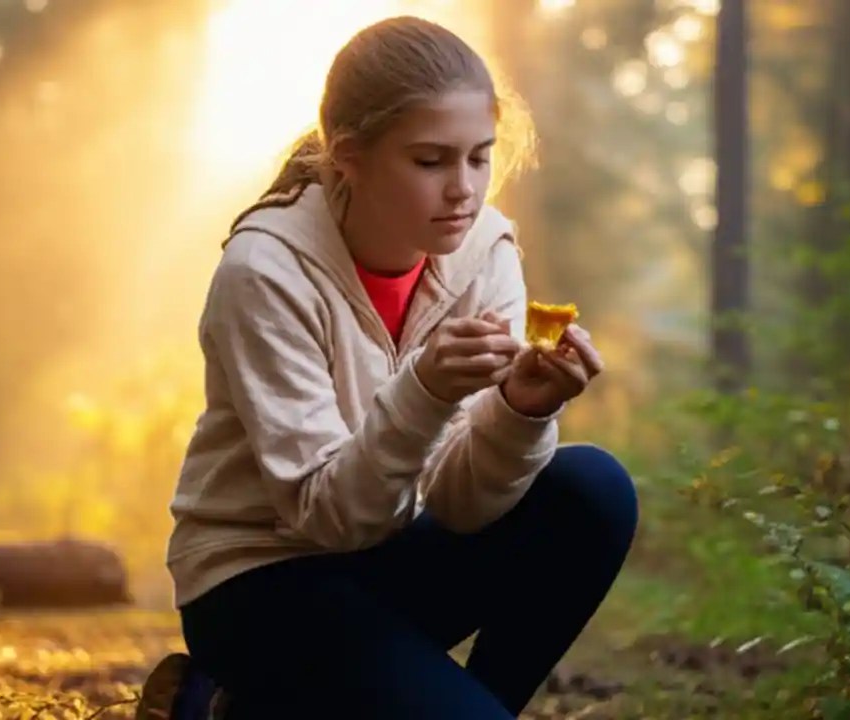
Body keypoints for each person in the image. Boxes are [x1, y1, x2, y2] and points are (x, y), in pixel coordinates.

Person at [135, 15, 639, 720]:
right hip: (263, 583)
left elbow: (463, 505)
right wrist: (425, 391)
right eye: (430, 161)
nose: (464, 189)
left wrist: (519, 414)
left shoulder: (486, 253)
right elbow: (328, 518)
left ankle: (236, 711)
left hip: (392, 556)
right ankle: (240, 688)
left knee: (591, 490)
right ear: (351, 156)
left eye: (479, 156)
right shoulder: (265, 272)